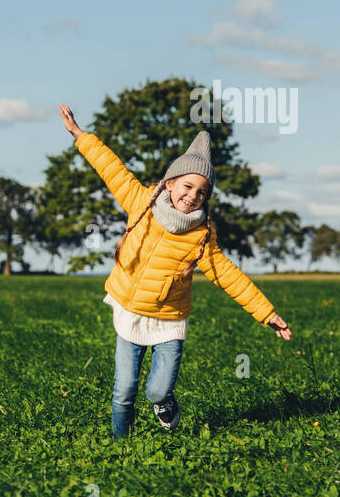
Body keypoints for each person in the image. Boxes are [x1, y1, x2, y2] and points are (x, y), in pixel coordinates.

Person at [59, 104, 292, 439]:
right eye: (186, 186)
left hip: (169, 319)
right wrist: (81, 136)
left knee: (156, 390)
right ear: (169, 183)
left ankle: (165, 404)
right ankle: (117, 448)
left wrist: (267, 313)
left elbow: (228, 276)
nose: (192, 196)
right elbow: (111, 168)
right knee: (123, 390)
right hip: (130, 312)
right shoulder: (141, 201)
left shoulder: (201, 236)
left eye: (201, 192)